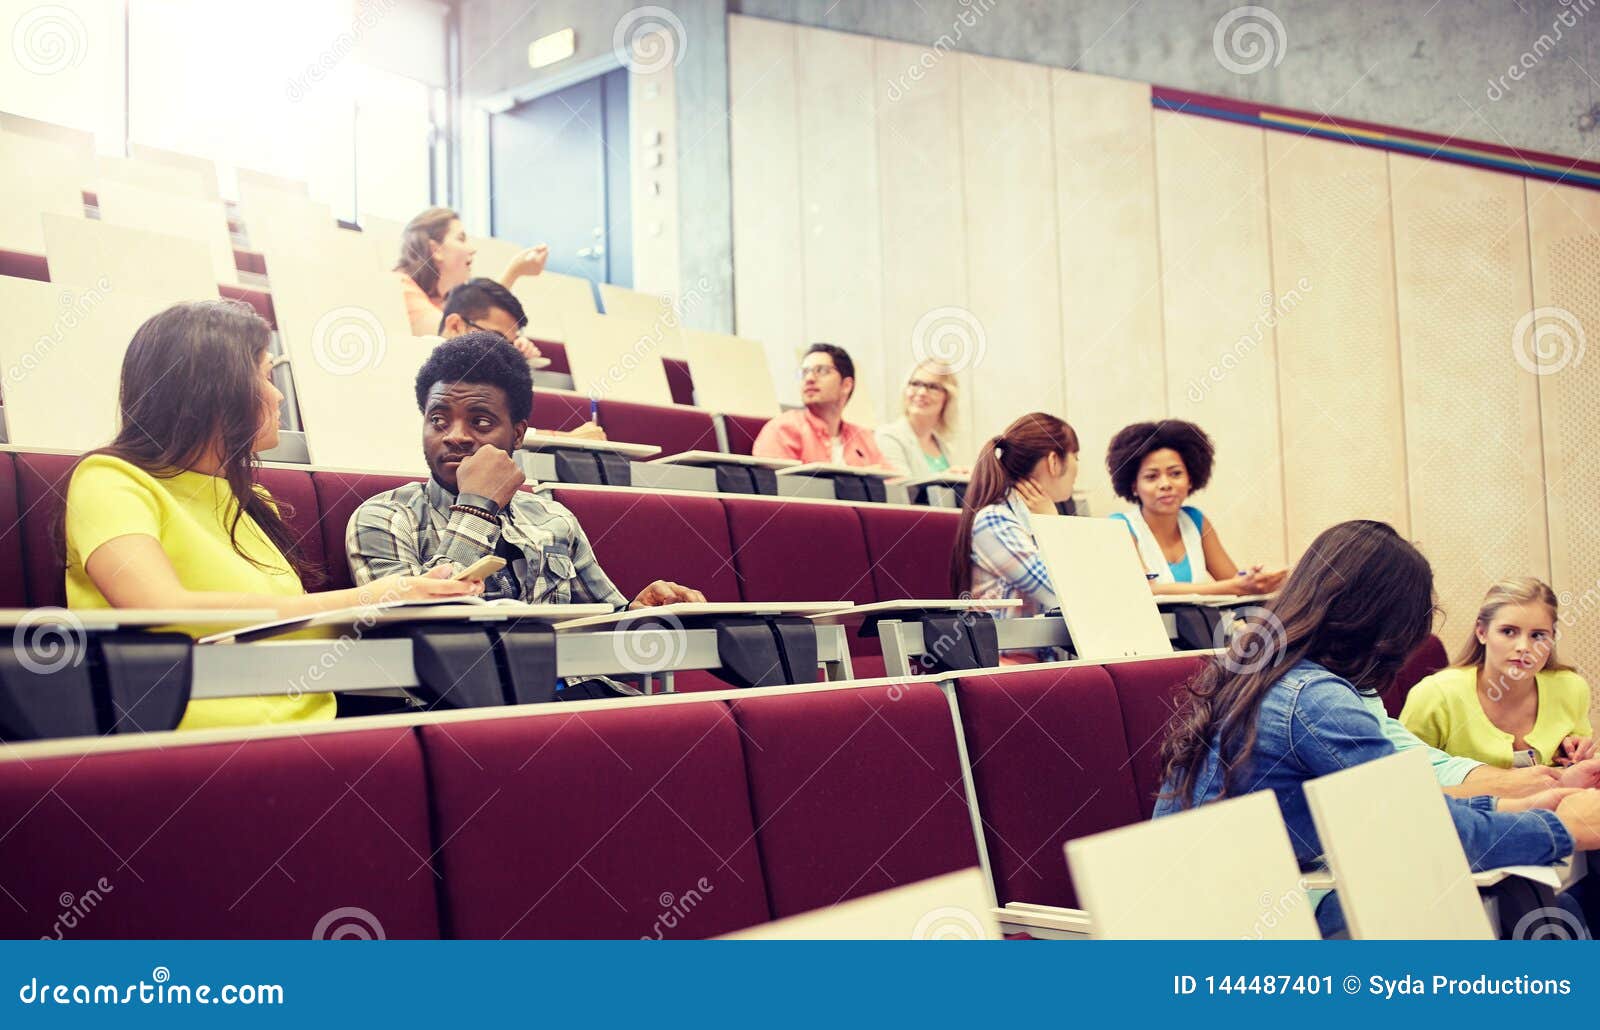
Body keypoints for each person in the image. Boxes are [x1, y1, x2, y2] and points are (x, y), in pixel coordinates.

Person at [1154, 520, 1600, 935]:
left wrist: (1517, 806)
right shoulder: (1315, 698)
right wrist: (1563, 826)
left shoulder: (1264, 666)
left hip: (1214, 901)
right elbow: (1418, 828)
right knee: (1474, 904)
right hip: (1235, 925)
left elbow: (1407, 805)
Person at [63, 300, 479, 730]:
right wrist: (373, 596)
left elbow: (289, 625)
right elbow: (159, 607)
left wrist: (410, 598)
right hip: (192, 741)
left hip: (313, 727)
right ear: (214, 390)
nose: (279, 394)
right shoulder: (108, 479)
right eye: (265, 376)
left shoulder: (249, 499)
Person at [345, 333, 705, 698]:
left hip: (566, 696)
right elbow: (413, 641)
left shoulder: (553, 518)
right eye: (438, 420)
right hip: (456, 710)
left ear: (517, 435)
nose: (455, 436)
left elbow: (604, 625)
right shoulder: (384, 517)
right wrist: (475, 507)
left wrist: (637, 612)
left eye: (481, 422)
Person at [1401, 578, 1594, 770]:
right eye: (1508, 631)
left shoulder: (1571, 687)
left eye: (1537, 635)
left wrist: (1582, 757)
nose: (1523, 647)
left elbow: (1583, 763)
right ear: (1482, 632)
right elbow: (1405, 780)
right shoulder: (1435, 695)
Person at [949, 413, 1079, 663]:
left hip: (1042, 662)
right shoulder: (995, 521)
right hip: (1005, 666)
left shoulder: (1028, 517)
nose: (1077, 468)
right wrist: (1050, 525)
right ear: (1054, 461)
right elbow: (1064, 593)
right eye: (1076, 456)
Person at [1105, 420, 1286, 596]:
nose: (1165, 484)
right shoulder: (1119, 526)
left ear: (1190, 479)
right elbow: (1146, 590)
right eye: (1152, 477)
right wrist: (1235, 587)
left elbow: (1232, 581)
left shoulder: (1196, 520)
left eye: (1175, 474)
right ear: (1134, 486)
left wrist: (1251, 579)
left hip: (1198, 627)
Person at [437, 279, 604, 441]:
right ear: (455, 326)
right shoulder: (428, 366)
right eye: (496, 338)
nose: (502, 351)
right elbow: (478, 434)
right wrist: (565, 438)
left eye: (508, 344)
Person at [394, 207, 550, 336]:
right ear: (436, 250)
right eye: (461, 239)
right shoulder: (400, 287)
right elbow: (450, 338)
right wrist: (513, 272)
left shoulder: (444, 302)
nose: (472, 249)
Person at [752, 343, 888, 467]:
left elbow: (896, 486)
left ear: (846, 385)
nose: (809, 378)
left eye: (822, 371)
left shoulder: (864, 437)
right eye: (804, 373)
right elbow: (778, 489)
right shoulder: (783, 429)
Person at [874, 360, 964, 476]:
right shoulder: (888, 437)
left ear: (947, 397)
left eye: (933, 387)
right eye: (915, 384)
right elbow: (900, 488)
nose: (921, 392)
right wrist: (943, 478)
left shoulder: (944, 446)